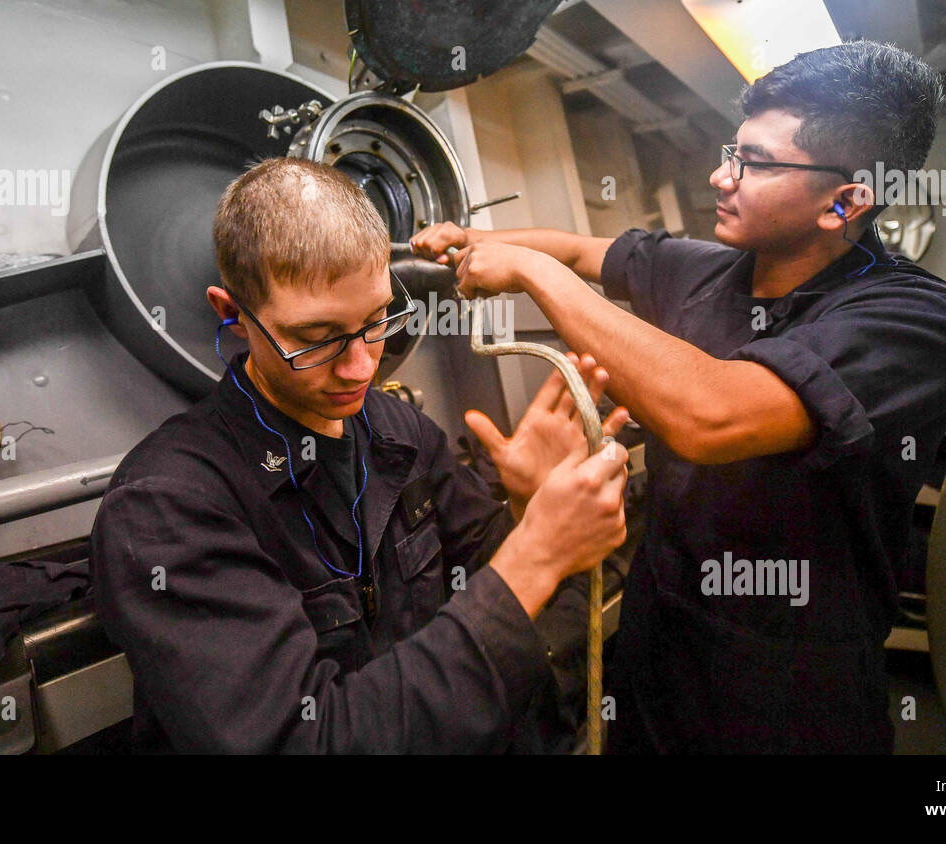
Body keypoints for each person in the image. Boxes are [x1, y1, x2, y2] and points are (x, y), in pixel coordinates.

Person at [413, 40, 946, 753]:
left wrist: (531, 274)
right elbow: (576, 248)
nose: (721, 176)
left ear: (845, 202)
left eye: (755, 164)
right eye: (731, 151)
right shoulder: (707, 270)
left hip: (787, 695)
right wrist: (469, 242)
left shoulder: (918, 322)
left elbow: (710, 414)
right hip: (662, 652)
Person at [90, 157, 629, 753]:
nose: (360, 367)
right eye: (317, 338)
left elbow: (480, 574)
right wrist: (535, 558)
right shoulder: (167, 506)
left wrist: (526, 513)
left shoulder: (397, 429)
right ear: (233, 314)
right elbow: (302, 739)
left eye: (376, 321)